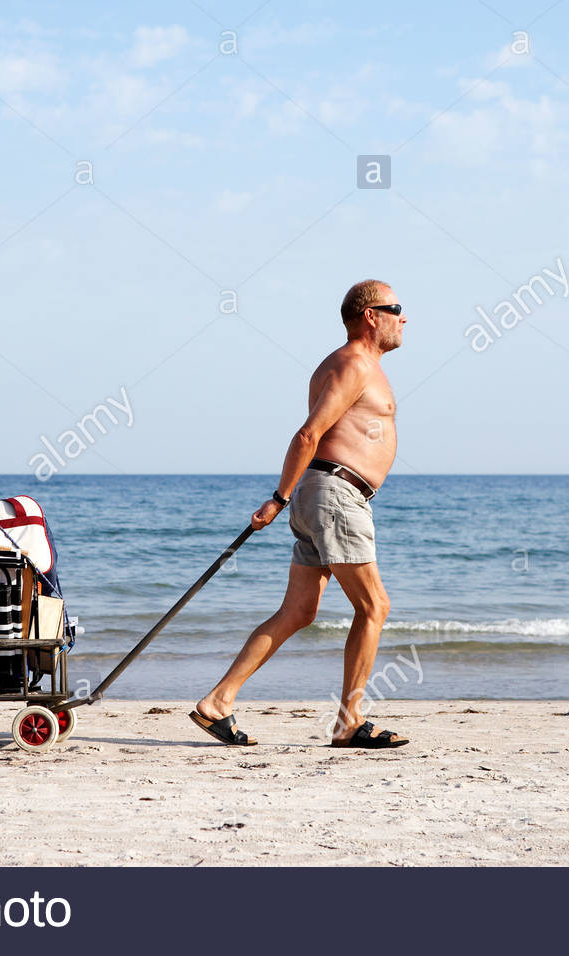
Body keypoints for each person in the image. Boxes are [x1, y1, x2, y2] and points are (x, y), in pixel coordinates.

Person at [191, 280, 408, 749]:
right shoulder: (353, 364)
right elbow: (309, 434)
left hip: (328, 494)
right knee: (375, 607)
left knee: (298, 611)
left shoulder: (358, 365)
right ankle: (349, 722)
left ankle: (217, 703)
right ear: (370, 315)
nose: (404, 317)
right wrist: (278, 496)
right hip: (335, 494)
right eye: (396, 308)